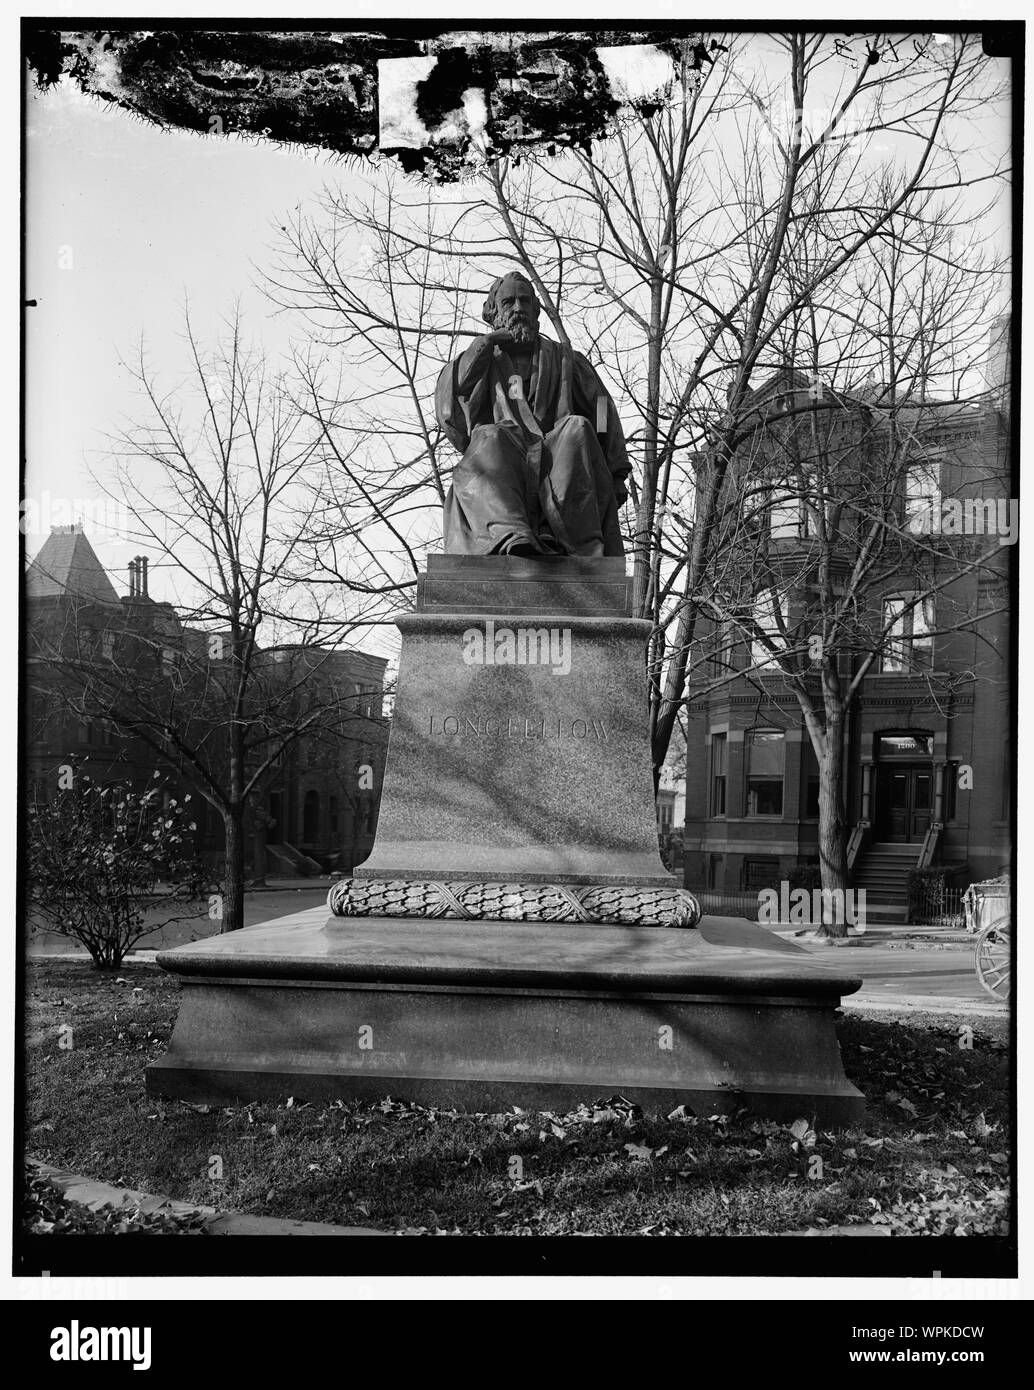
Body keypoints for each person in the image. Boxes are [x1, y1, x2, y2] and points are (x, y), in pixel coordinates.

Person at [434, 271, 630, 557]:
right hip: (504, 457)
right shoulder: (483, 357)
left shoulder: (565, 359)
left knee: (577, 427)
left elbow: (600, 405)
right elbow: (452, 399)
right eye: (509, 302)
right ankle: (510, 535)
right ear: (493, 313)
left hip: (557, 452)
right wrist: (487, 344)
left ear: (536, 309)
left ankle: (559, 531)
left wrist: (612, 462)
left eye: (525, 301)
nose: (518, 309)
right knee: (491, 434)